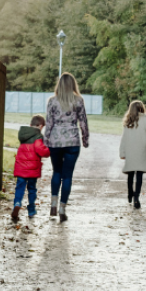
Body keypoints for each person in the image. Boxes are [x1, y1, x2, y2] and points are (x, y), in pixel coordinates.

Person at [43, 72, 89, 222]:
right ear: (73, 85)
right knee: (67, 175)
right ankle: (63, 207)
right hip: (72, 141)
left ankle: (53, 203)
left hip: (55, 142)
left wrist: (46, 139)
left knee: (56, 171)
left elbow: (49, 123)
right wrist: (85, 139)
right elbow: (83, 122)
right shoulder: (78, 101)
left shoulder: (52, 101)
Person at [12, 114, 50, 222]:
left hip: (21, 169)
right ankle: (31, 209)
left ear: (30, 125)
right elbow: (41, 151)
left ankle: (17, 203)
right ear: (41, 126)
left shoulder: (23, 135)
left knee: (19, 187)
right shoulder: (38, 138)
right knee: (32, 189)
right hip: (32, 170)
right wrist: (49, 150)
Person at [119, 100, 146, 209]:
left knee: (130, 174)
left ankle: (130, 193)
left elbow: (123, 138)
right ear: (142, 108)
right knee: (139, 174)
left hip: (130, 150)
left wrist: (122, 152)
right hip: (141, 149)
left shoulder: (128, 120)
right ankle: (136, 198)